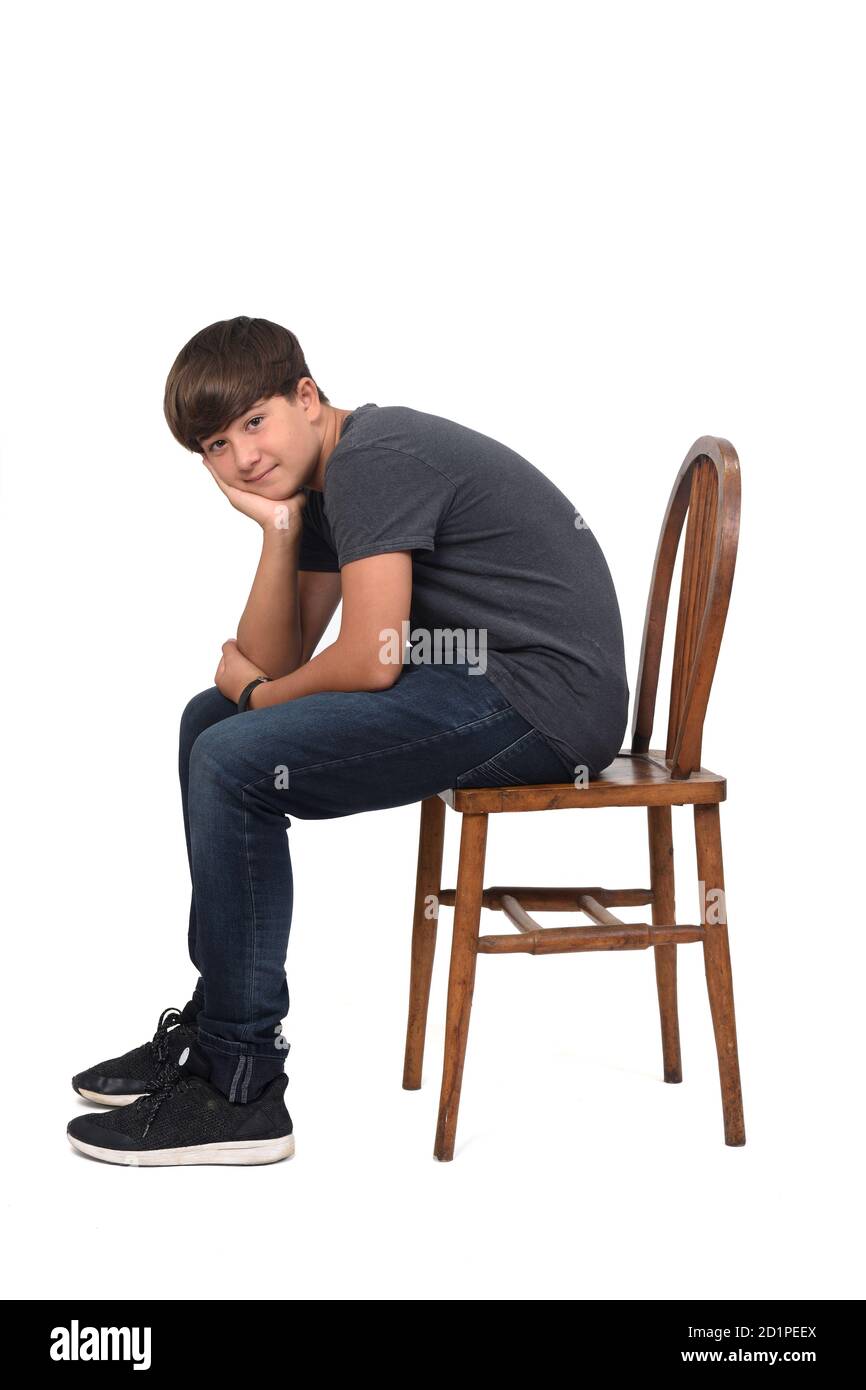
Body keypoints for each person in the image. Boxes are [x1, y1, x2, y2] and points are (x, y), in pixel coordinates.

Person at [66, 315, 630, 1167]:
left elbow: (369, 659)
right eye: (216, 447)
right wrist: (281, 532)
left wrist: (256, 693)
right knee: (207, 724)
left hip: (543, 701)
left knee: (230, 752)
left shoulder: (374, 458)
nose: (243, 458)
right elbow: (283, 656)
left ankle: (239, 1083)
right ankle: (219, 1022)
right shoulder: (329, 489)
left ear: (306, 395)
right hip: (482, 680)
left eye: (254, 423)